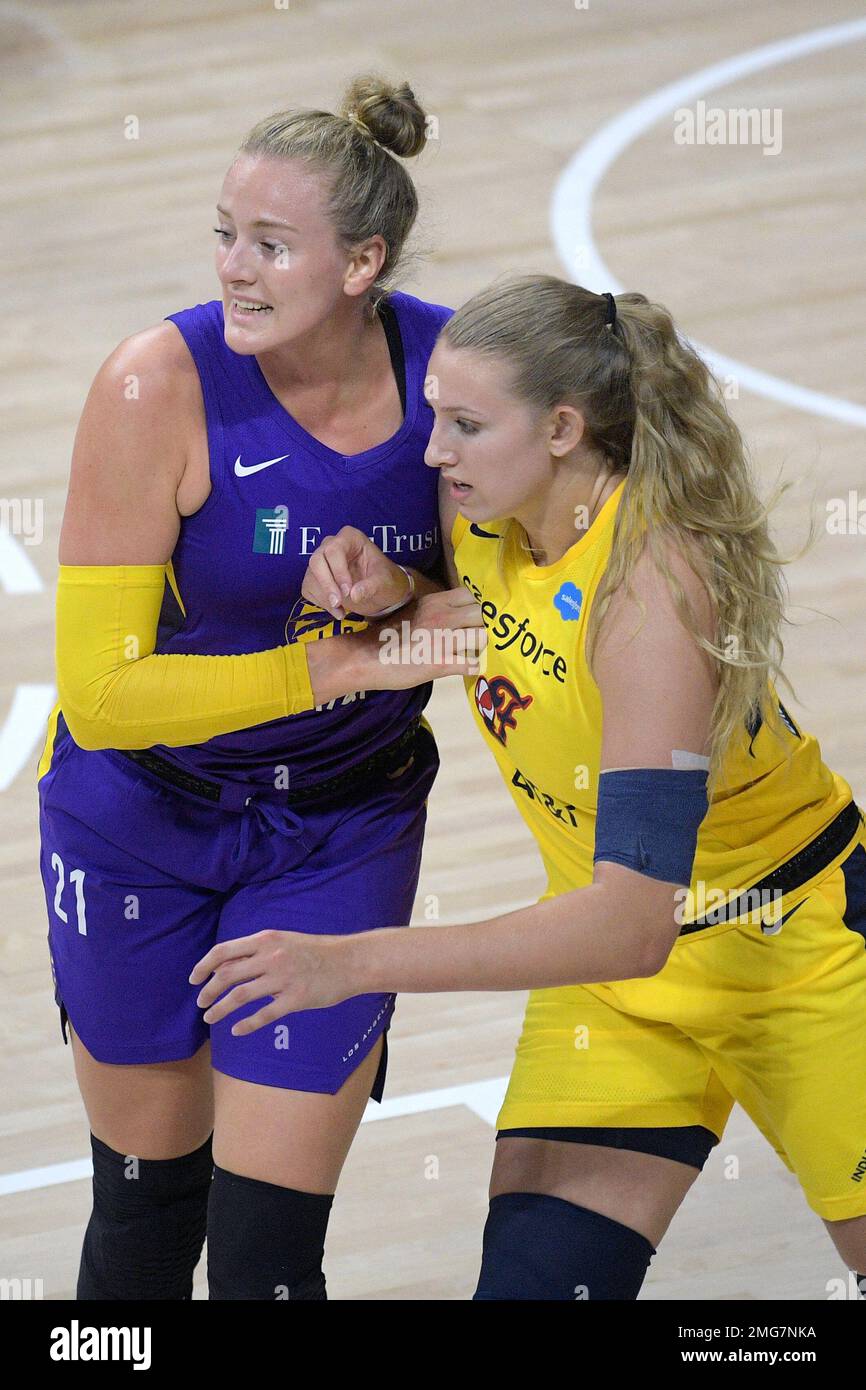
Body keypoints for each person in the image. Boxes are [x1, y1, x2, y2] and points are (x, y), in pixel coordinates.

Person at [193, 274, 866, 1301]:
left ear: (560, 428)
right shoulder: (485, 516)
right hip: (623, 998)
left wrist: (351, 963)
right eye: (432, 418)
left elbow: (630, 922)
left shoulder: (649, 592)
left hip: (797, 960)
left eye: (465, 424)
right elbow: (503, 627)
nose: (431, 452)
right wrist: (390, 594)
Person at [37, 75, 485, 1302]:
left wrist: (395, 589)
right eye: (224, 234)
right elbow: (101, 697)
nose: (233, 267)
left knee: (265, 1255)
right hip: (141, 820)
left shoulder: (455, 370)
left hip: (340, 827)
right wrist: (332, 662)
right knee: (143, 1215)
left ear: (363, 263)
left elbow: (503, 614)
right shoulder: (152, 385)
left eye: (272, 244)